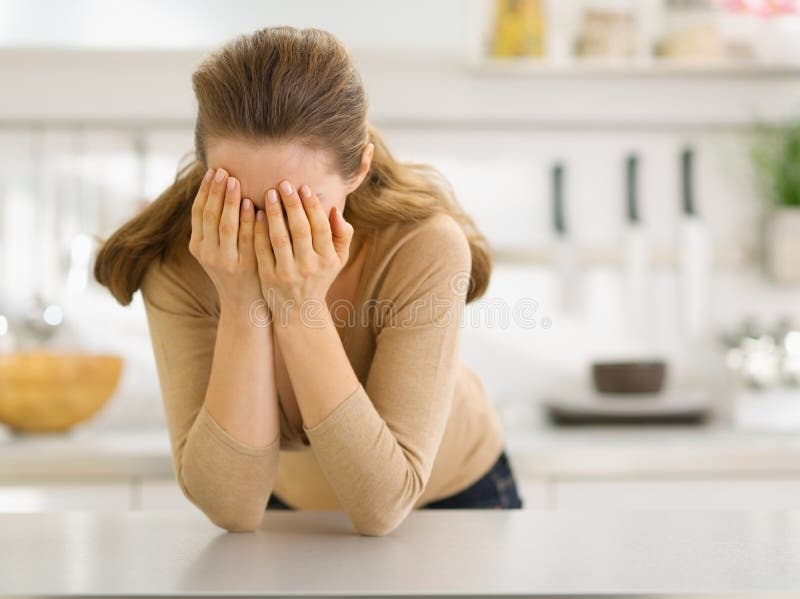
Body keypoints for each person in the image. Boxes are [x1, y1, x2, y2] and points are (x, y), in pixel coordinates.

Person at [94, 26, 523, 537]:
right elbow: (232, 509)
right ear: (207, 176)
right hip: (289, 511)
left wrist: (300, 308)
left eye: (296, 207)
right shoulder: (180, 259)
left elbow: (383, 504)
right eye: (244, 204)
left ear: (358, 171)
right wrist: (240, 301)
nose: (272, 232)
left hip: (454, 503)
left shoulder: (423, 246)